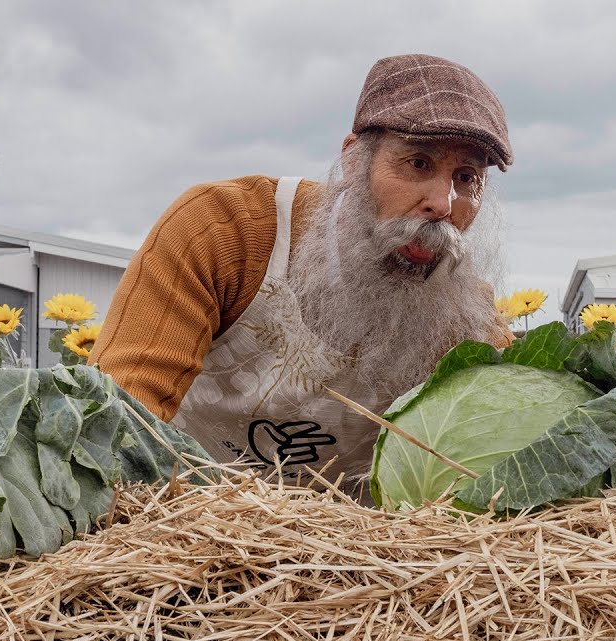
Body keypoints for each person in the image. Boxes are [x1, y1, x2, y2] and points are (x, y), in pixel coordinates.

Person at [91, 54, 514, 486]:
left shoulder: (463, 312)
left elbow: (513, 438)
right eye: (418, 163)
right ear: (354, 161)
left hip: (363, 547)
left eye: (466, 179)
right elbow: (114, 418)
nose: (442, 204)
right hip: (184, 522)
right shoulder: (222, 230)